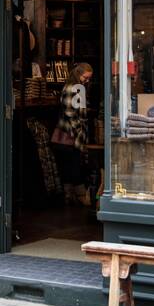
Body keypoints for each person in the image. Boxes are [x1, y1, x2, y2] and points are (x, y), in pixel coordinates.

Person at [51, 62, 94, 205]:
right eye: (85, 77)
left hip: (66, 135)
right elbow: (71, 113)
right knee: (76, 166)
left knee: (67, 167)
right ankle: (82, 197)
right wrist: (79, 132)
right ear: (78, 74)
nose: (87, 81)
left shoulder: (70, 86)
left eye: (89, 78)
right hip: (71, 135)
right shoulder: (76, 88)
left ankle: (68, 197)